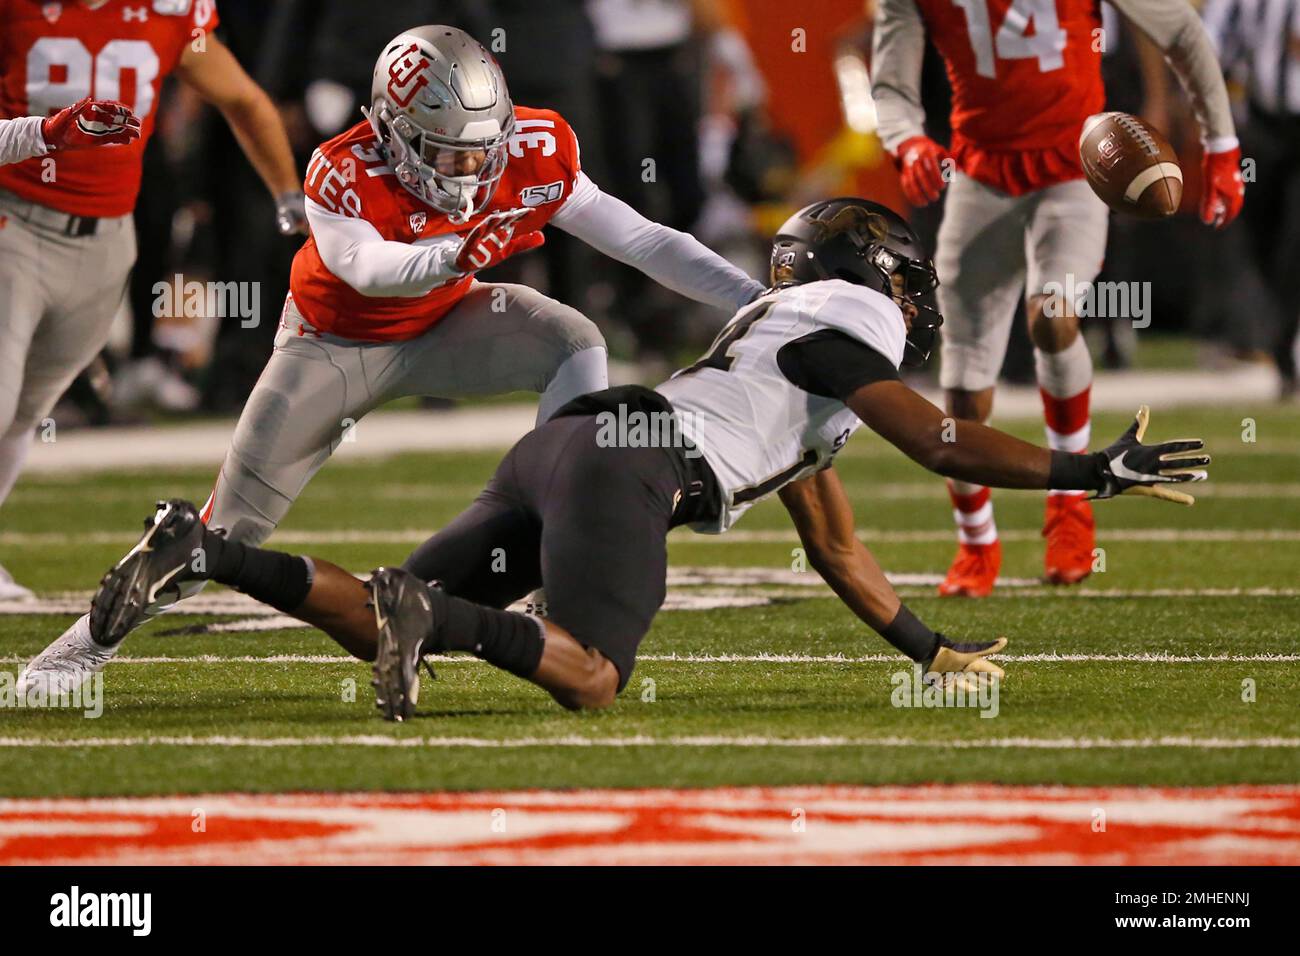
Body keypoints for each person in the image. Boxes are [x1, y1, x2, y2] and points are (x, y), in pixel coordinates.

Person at [59, 199, 1209, 716]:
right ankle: (433, 612)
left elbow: (835, 545)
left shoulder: (781, 359)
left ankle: (200, 548)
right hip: (633, 462)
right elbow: (939, 436)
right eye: (899, 276)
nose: (907, 299)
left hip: (574, 441)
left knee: (370, 612)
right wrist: (1084, 468)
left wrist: (926, 646)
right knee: (591, 675)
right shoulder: (835, 329)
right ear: (864, 276)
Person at [16, 24, 765, 691]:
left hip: (447, 325)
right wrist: (451, 253)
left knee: (576, 342)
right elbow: (368, 271)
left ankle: (551, 554)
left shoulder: (536, 147)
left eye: (483, 150)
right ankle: (81, 649)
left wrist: (753, 298)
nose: (470, 173)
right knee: (232, 529)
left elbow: (643, 241)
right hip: (335, 344)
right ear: (391, 132)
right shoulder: (341, 171)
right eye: (445, 153)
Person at [870, 0, 1243, 596]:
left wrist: (1221, 142)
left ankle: (1071, 507)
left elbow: (1181, 30)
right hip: (981, 174)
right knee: (964, 386)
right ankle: (976, 540)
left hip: (1076, 168)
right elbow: (890, 81)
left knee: (1054, 315)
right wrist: (907, 139)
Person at [0, 0, 306, 601]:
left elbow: (241, 98)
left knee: (27, 410)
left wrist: (289, 198)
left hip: (108, 239)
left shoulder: (164, 12)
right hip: (13, 222)